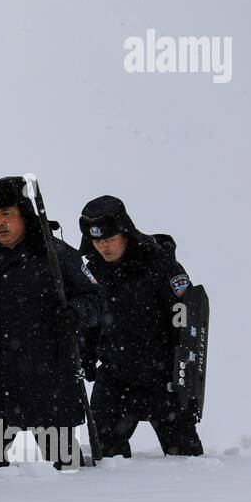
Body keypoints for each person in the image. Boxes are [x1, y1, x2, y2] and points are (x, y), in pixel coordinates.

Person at [0, 176, 100, 473]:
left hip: (51, 382)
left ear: (23, 213)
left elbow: (97, 300)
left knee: (66, 472)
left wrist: (76, 313)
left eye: (7, 214)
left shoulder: (57, 255)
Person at [78, 195, 203, 457]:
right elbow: (90, 322)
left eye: (109, 239)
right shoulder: (92, 273)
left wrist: (188, 383)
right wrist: (86, 357)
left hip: (163, 379)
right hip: (114, 379)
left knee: (186, 458)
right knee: (103, 459)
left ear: (124, 233)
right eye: (97, 241)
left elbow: (190, 320)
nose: (104, 247)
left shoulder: (160, 265)